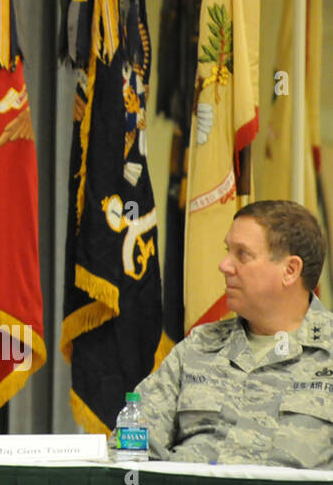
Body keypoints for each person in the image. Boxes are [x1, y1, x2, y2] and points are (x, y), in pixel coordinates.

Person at [120, 199, 333, 468]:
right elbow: (130, 448)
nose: (224, 265)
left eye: (242, 254)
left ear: (290, 271)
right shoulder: (198, 347)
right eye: (227, 251)